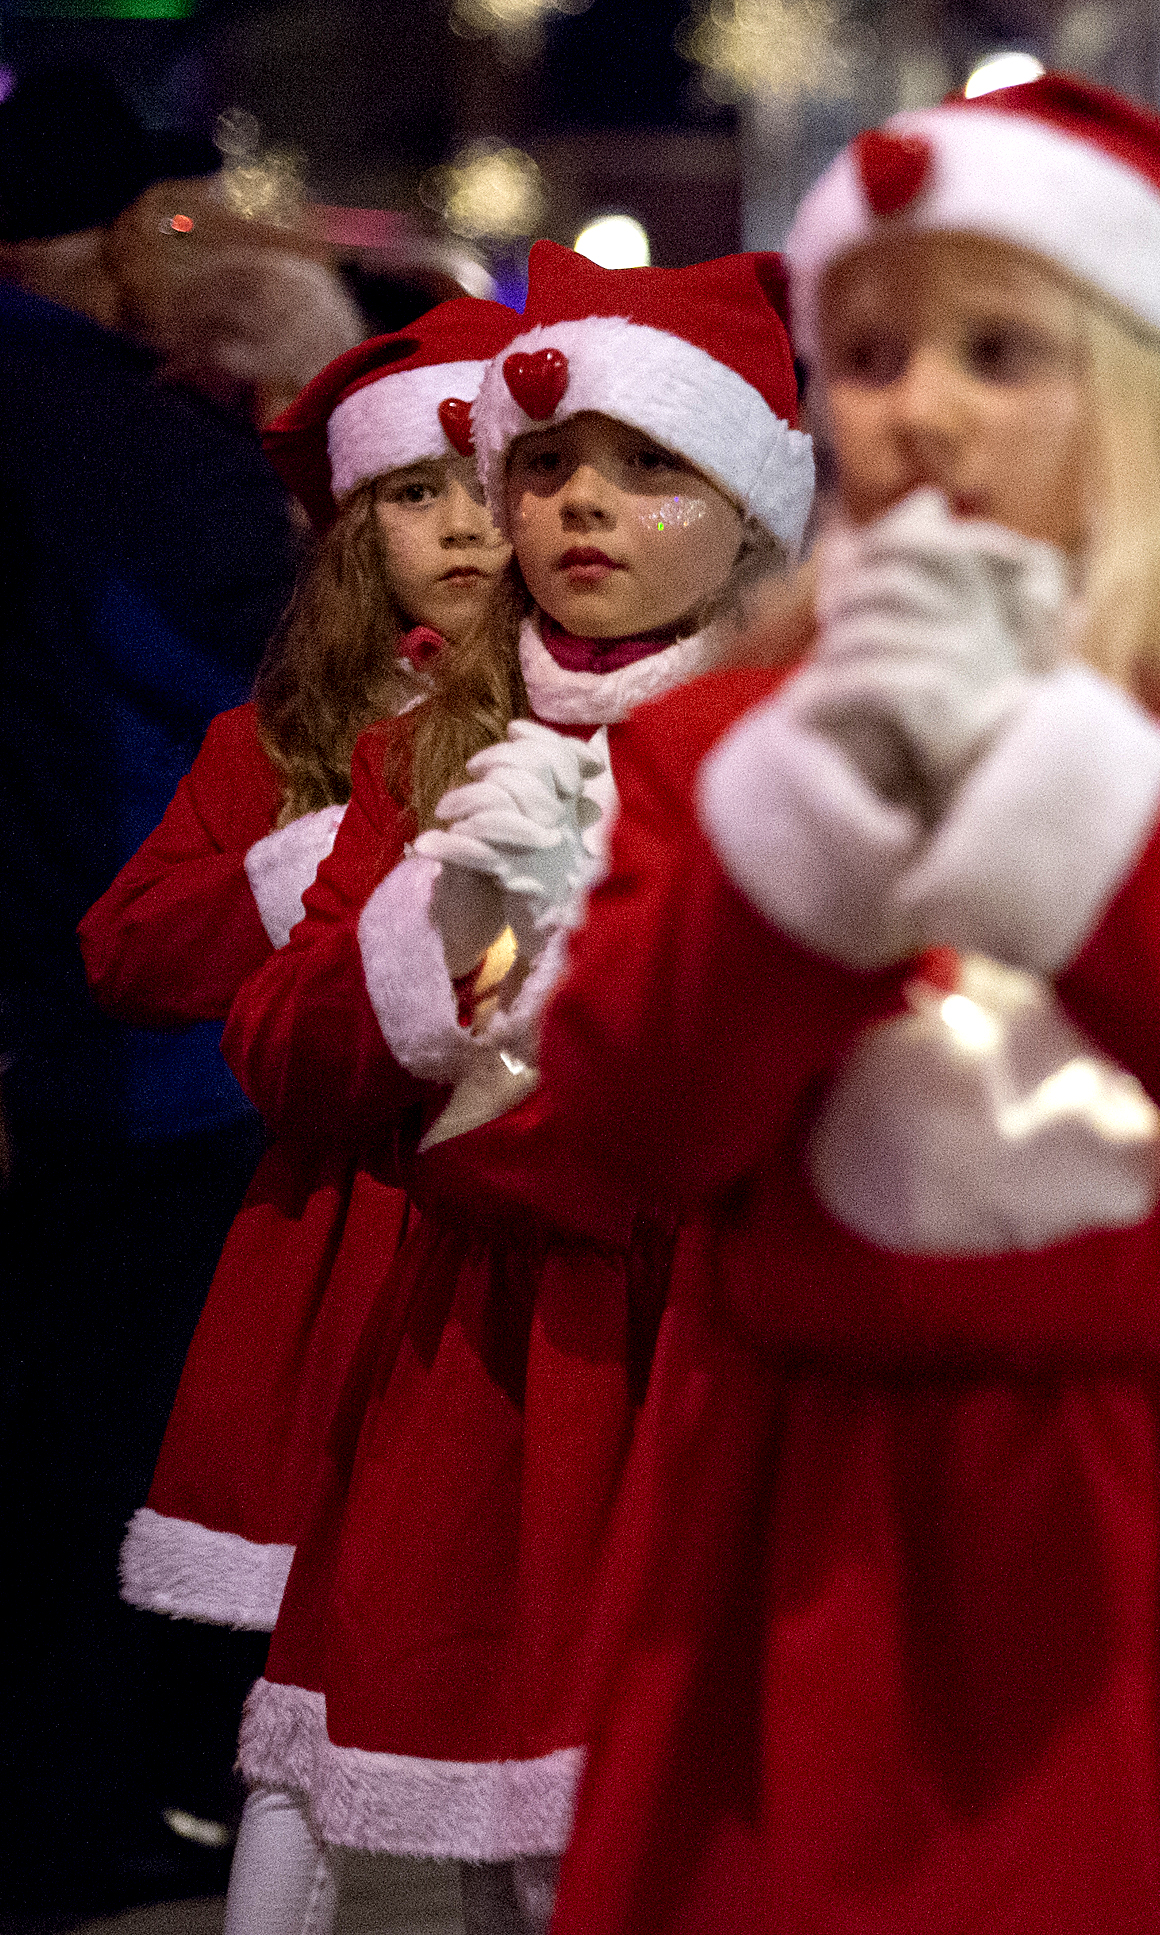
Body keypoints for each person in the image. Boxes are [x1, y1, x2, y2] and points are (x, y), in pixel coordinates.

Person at [503, 79, 1160, 1934]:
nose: (918, 405)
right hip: (807, 1518)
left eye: (998, 350)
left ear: (1157, 393)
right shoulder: (723, 737)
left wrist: (1052, 779)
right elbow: (634, 1121)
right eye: (867, 354)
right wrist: (814, 834)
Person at [220, 240, 806, 1934]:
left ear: (752, 509)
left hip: (732, 1342)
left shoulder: (815, 741)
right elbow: (282, 1047)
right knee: (517, 1825)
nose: (579, 506)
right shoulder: (425, 754)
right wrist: (427, 936)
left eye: (647, 466)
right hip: (499, 1348)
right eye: (542, 466)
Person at [80, 297, 519, 1935]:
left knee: (524, 1644)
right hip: (343, 1231)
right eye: (417, 493)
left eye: (490, 479)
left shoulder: (604, 732)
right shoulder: (278, 747)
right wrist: (304, 872)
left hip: (523, 1232)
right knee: (316, 1666)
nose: (466, 522)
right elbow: (125, 951)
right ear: (355, 533)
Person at [0, 61, 304, 1911]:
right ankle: (89, 1804)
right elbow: (270, 698)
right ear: (126, 237)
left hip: (85, 1027)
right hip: (139, 1047)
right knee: (116, 1445)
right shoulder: (113, 435)